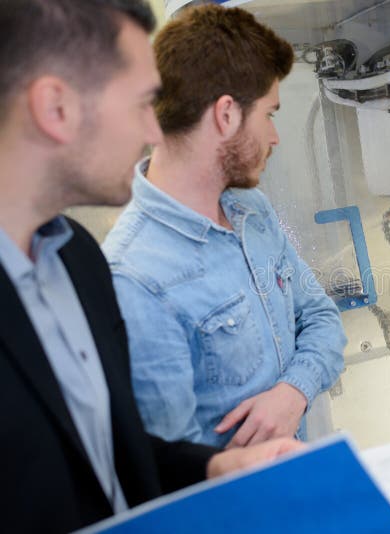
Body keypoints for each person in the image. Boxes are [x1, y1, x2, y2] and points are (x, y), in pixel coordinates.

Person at [0, 1, 304, 531]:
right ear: (57, 108)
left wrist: (214, 466)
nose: (154, 129)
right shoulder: (127, 269)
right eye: (143, 103)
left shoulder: (75, 259)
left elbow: (118, 461)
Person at [102, 5, 346, 449]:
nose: (275, 137)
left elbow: (323, 320)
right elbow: (173, 478)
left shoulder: (250, 210)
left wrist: (293, 393)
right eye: (269, 114)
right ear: (227, 115)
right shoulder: (136, 278)